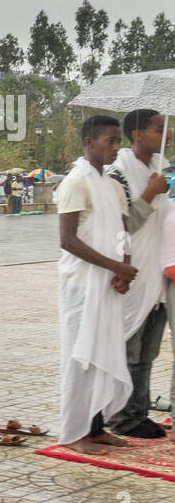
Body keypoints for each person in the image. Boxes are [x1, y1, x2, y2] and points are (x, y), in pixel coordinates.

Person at [57, 116, 137, 455]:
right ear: (89, 142)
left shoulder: (113, 184)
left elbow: (122, 230)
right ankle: (74, 432)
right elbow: (68, 240)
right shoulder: (76, 181)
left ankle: (97, 426)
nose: (116, 148)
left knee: (105, 351)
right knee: (80, 357)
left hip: (108, 282)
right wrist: (114, 266)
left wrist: (125, 267)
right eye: (109, 141)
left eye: (118, 141)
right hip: (81, 285)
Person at [104, 109, 171, 439]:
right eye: (160, 129)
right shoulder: (118, 172)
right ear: (137, 134)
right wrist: (150, 193)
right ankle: (120, 416)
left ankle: (137, 412)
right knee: (128, 350)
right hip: (131, 272)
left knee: (147, 351)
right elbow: (121, 224)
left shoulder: (157, 169)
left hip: (155, 276)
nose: (167, 135)